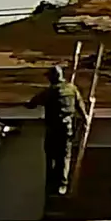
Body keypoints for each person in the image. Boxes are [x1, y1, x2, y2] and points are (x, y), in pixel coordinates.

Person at [26, 65, 89, 196]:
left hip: (53, 128)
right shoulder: (72, 89)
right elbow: (80, 105)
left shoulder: (49, 92)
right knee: (64, 157)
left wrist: (28, 103)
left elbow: (32, 103)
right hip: (67, 128)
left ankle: (52, 184)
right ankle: (62, 184)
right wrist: (85, 119)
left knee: (51, 157)